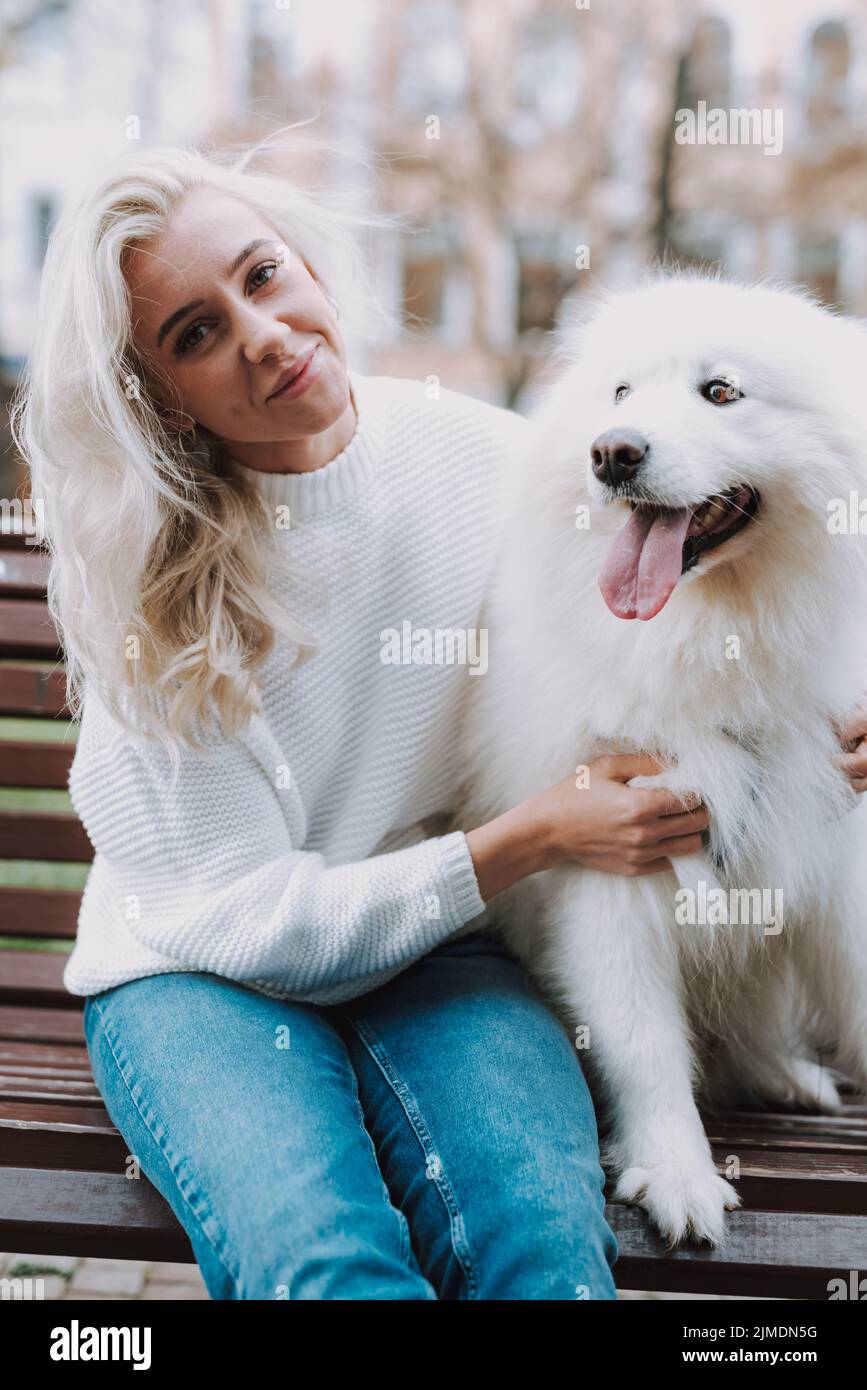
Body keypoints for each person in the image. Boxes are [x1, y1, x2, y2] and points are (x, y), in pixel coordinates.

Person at [13, 136, 867, 1301]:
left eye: (263, 277)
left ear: (308, 267)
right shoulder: (146, 588)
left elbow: (756, 614)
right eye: (196, 334)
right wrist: (528, 839)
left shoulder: (502, 462)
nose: (261, 333)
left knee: (540, 1254)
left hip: (438, 951)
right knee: (328, 1263)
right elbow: (247, 919)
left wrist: (844, 715)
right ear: (155, 397)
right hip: (204, 973)